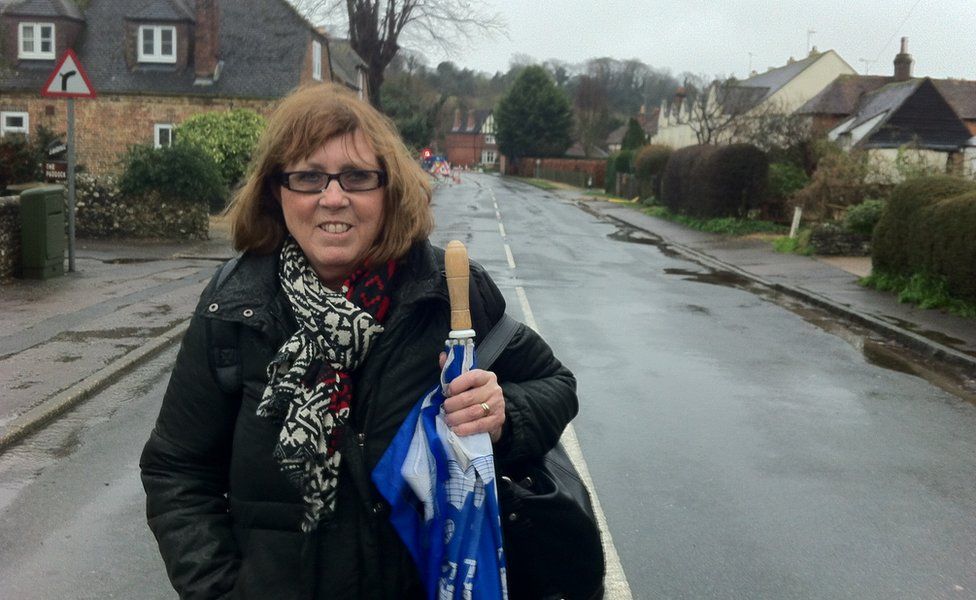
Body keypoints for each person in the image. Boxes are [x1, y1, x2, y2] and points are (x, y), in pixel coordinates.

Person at [139, 82, 578, 599]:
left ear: (388, 188)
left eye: (356, 177)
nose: (332, 197)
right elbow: (177, 468)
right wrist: (219, 590)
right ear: (275, 192)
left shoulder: (446, 290)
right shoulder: (235, 305)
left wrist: (505, 416)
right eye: (307, 177)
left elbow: (556, 383)